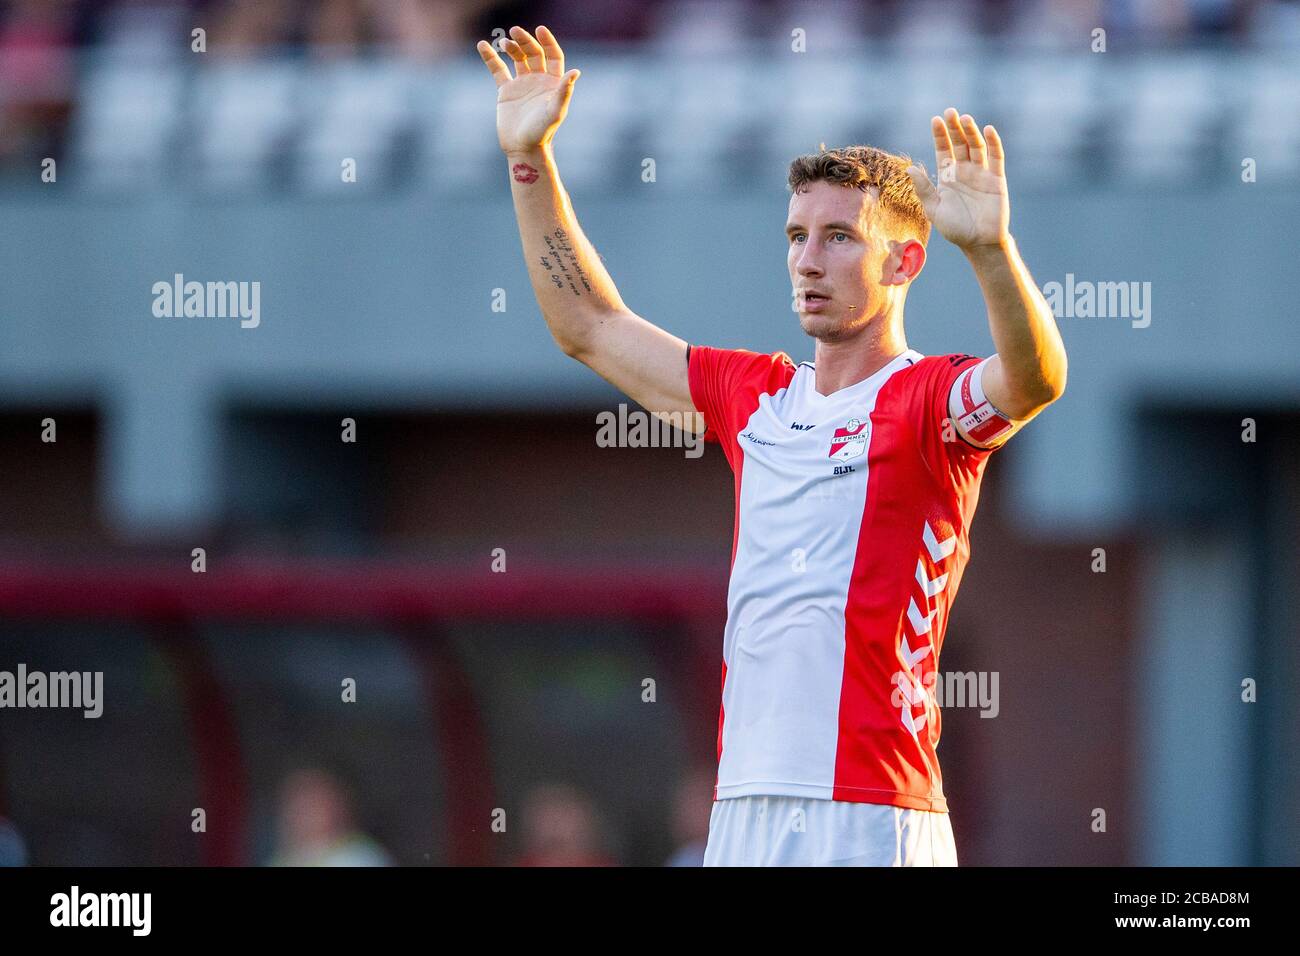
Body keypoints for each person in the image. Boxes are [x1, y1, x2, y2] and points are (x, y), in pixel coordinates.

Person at [477, 27, 1066, 866]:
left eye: (839, 237)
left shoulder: (927, 400)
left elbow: (1036, 379)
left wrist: (993, 251)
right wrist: (530, 158)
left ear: (905, 260)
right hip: (743, 809)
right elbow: (589, 325)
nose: (808, 260)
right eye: (796, 236)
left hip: (870, 814)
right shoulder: (753, 394)